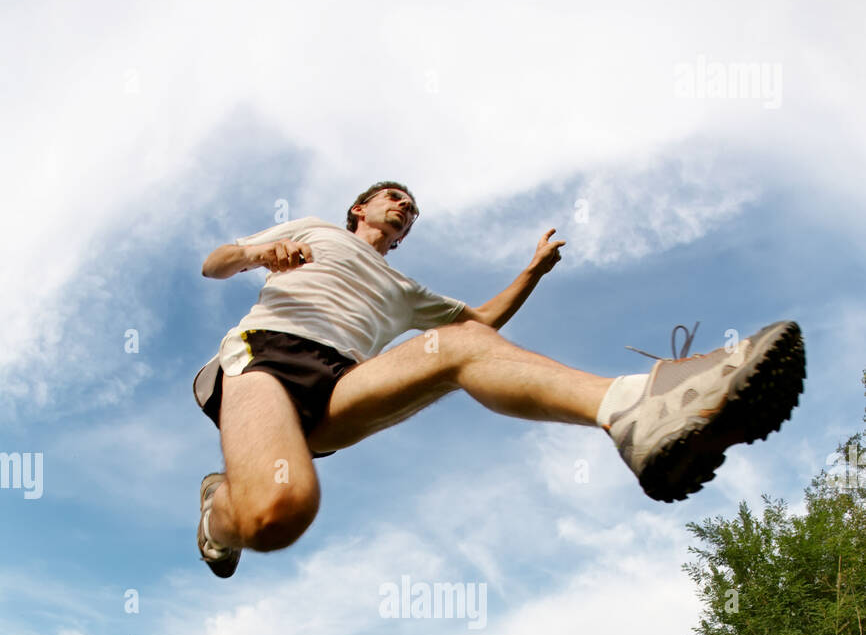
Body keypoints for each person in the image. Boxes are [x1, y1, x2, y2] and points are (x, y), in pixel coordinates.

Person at [194, 180, 806, 578]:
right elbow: (214, 262)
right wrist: (258, 255)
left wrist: (532, 271)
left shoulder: (405, 290)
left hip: (341, 385)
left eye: (411, 211)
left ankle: (634, 409)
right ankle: (220, 505)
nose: (404, 209)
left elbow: (480, 321)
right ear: (361, 208)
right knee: (275, 510)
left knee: (461, 345)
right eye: (394, 199)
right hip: (266, 357)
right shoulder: (314, 231)